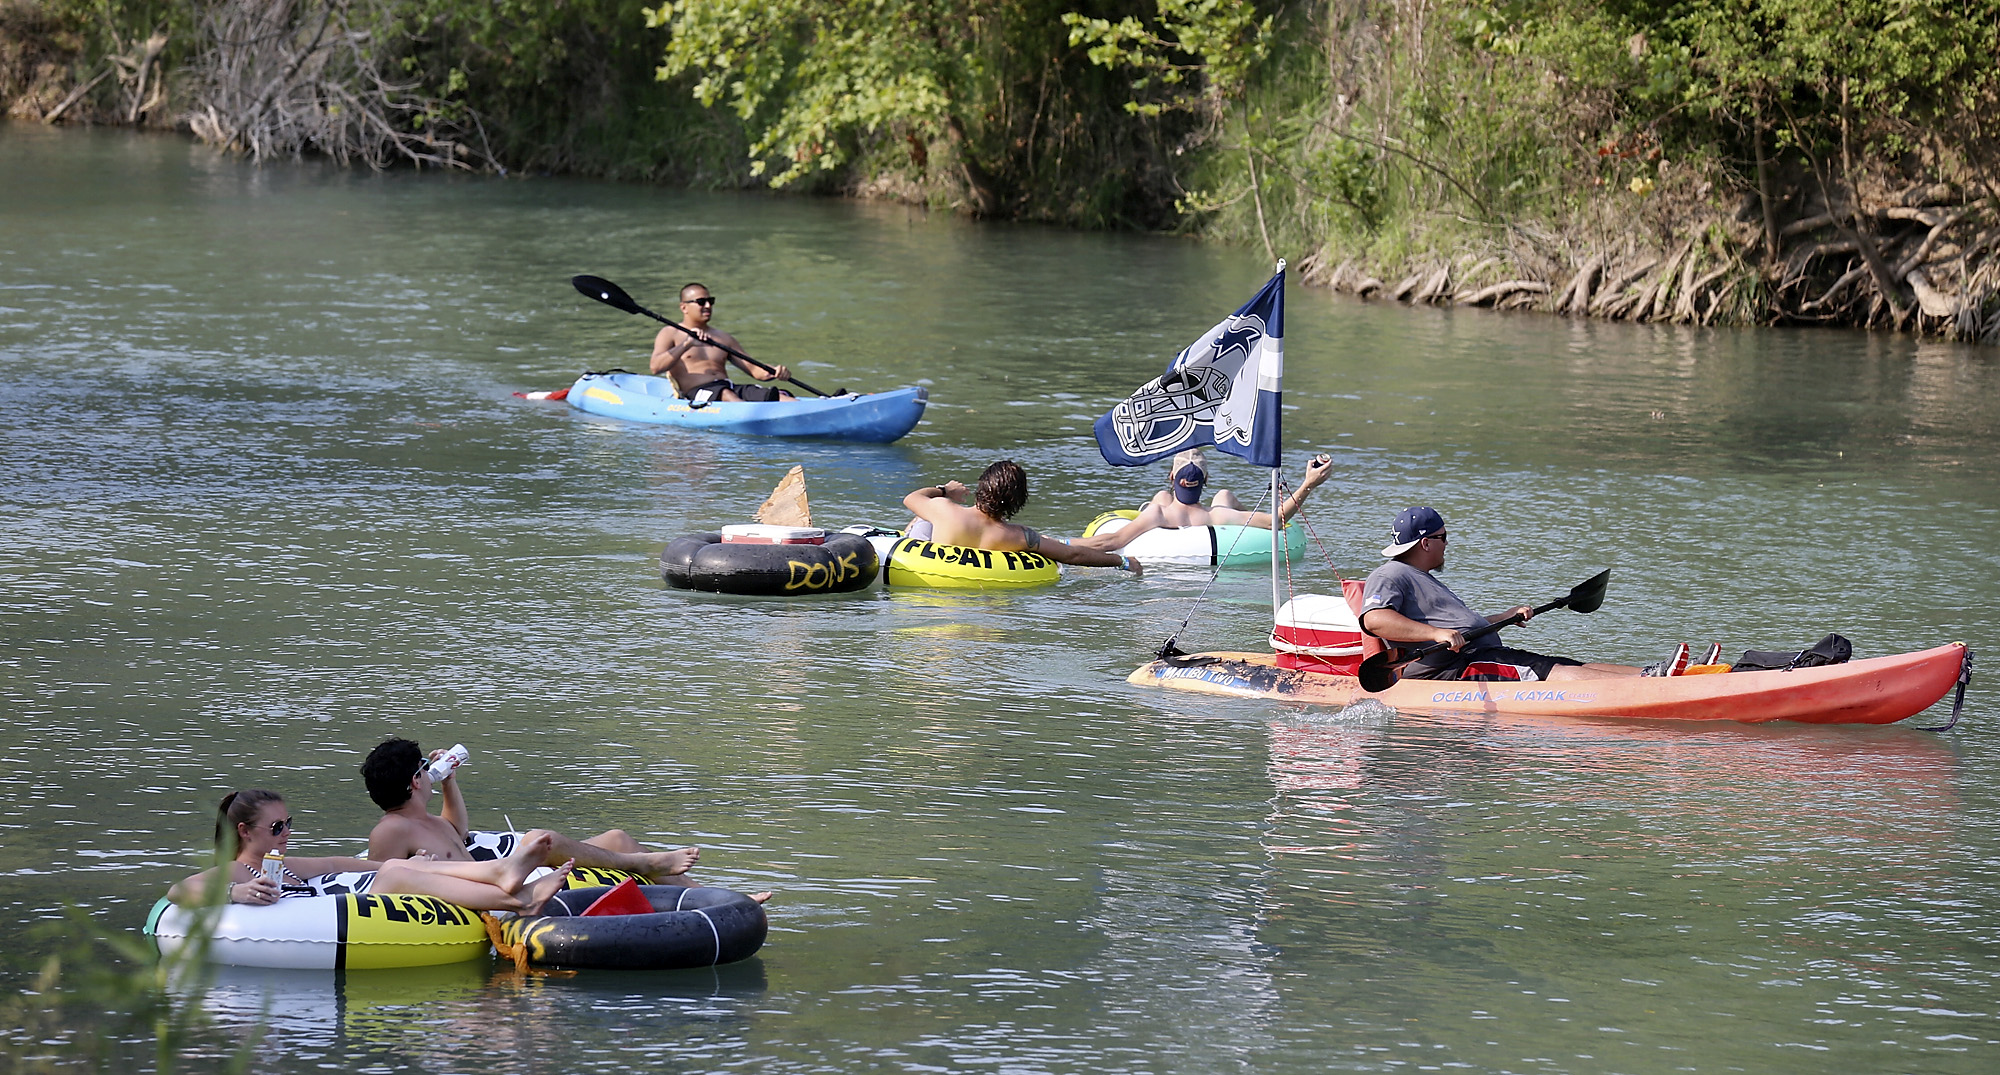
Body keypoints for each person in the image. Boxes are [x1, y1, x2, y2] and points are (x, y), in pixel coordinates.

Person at [1357, 506, 1688, 682]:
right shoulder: (1391, 573)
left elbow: (1458, 627)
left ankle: (1654, 673)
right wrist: (1435, 633)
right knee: (1548, 672)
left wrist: (1503, 618)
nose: (1448, 543)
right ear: (1426, 542)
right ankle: (1650, 686)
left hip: (1475, 655)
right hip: (1455, 668)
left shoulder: (1420, 577)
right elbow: (1375, 619)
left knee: (1564, 664)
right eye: (1444, 537)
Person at [167, 788, 574, 913]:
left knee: (396, 867)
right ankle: (512, 890)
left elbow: (336, 862)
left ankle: (512, 887)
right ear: (244, 831)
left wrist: (402, 861)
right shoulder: (239, 873)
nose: (286, 832)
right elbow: (178, 892)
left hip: (360, 896)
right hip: (349, 912)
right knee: (394, 874)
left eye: (288, 824)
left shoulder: (285, 864)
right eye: (277, 827)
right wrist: (232, 894)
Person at [362, 738, 700, 885]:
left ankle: (712, 899)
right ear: (415, 782)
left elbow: (457, 832)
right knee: (542, 839)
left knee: (617, 837)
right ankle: (643, 863)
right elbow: (377, 881)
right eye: (424, 768)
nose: (429, 771)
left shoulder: (427, 821)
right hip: (490, 888)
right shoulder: (391, 829)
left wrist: (450, 782)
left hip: (495, 875)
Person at [901, 460, 1144, 576]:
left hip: (931, 581)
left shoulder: (944, 509)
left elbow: (911, 498)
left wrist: (945, 490)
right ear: (1018, 500)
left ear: (981, 488)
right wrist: (1120, 562)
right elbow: (1073, 555)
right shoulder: (1021, 536)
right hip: (987, 598)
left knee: (920, 521)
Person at [1072, 449, 1334, 552]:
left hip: (1165, 539)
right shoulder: (1218, 516)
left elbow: (1110, 541)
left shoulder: (1157, 513)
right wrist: (1308, 484)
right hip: (1214, 532)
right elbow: (1275, 521)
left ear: (1172, 476)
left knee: (1164, 497)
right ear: (1205, 479)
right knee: (1224, 496)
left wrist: (1056, 544)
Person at [649, 283, 794, 403]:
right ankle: (750, 417)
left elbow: (755, 370)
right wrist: (686, 345)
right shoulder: (670, 333)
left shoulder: (724, 337)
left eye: (710, 301)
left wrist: (775, 372)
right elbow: (655, 367)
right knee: (725, 394)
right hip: (697, 394)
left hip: (728, 387)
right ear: (684, 307)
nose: (707, 306)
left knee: (778, 396)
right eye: (701, 302)